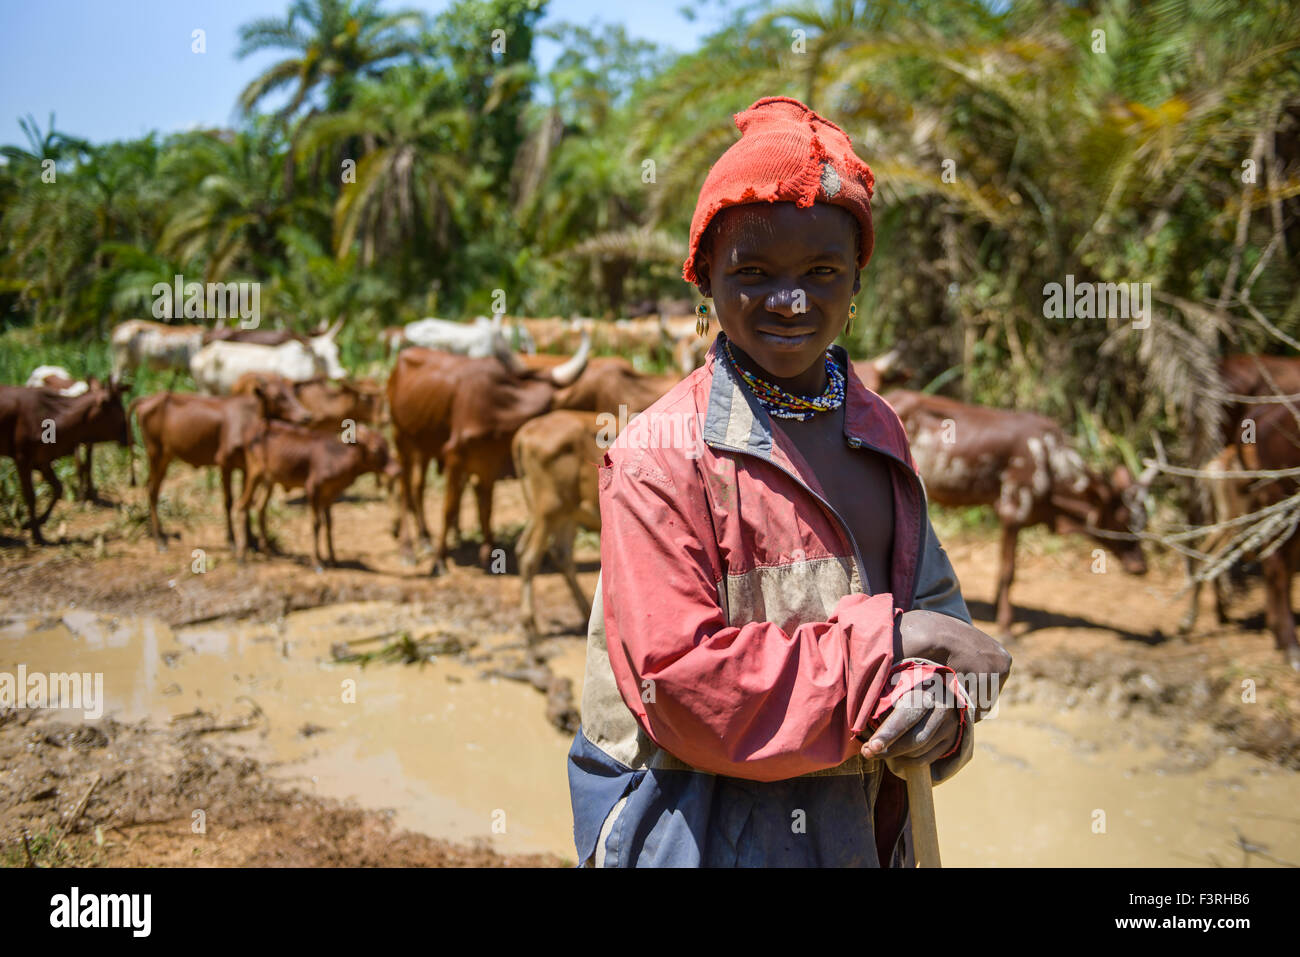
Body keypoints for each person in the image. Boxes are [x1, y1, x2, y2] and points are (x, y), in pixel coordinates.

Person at [567, 95, 1012, 867]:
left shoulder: (877, 432)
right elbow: (681, 685)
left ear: (857, 281)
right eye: (754, 272)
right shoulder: (659, 455)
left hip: (857, 829)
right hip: (695, 831)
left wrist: (944, 706)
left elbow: (940, 617)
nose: (792, 298)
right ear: (705, 276)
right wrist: (895, 642)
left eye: (822, 271)